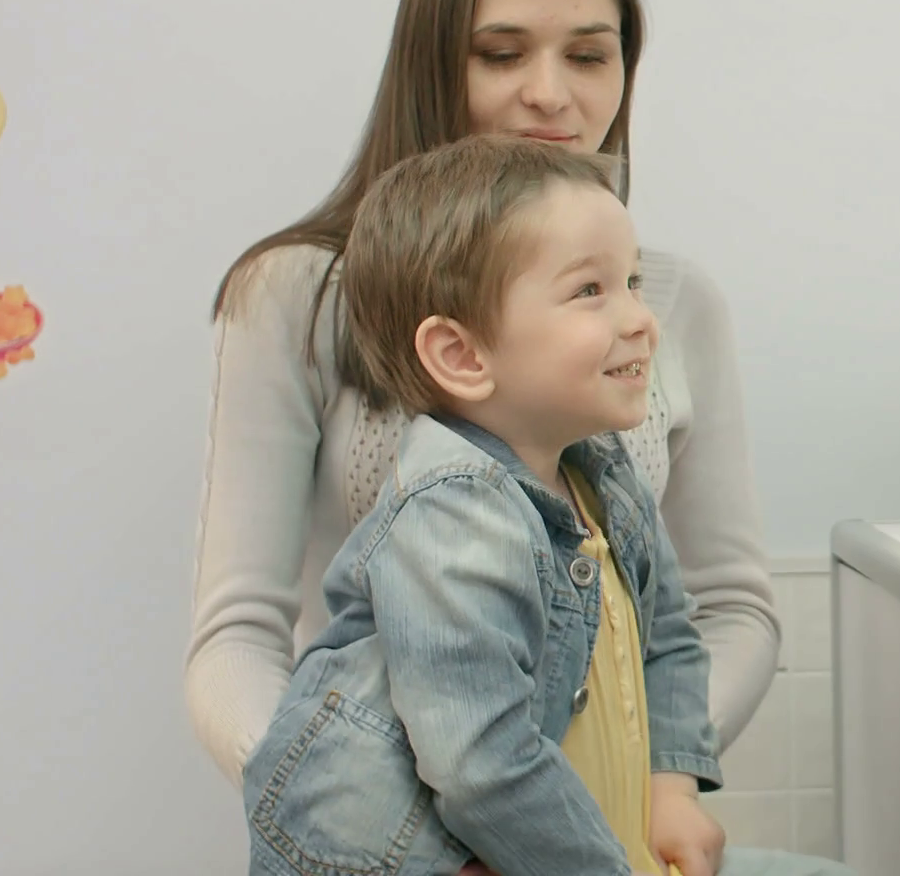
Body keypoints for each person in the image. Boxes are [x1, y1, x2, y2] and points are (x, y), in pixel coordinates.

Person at [187, 0, 780, 790]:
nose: (551, 95)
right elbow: (234, 636)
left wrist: (653, 774)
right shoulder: (297, 296)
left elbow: (731, 608)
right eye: (500, 54)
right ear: (432, 66)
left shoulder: (672, 302)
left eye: (590, 55)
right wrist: (361, 809)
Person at [242, 135, 846, 876]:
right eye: (591, 291)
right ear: (463, 356)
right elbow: (483, 767)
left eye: (632, 281)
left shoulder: (601, 476)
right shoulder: (451, 520)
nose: (640, 319)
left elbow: (670, 639)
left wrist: (670, 786)